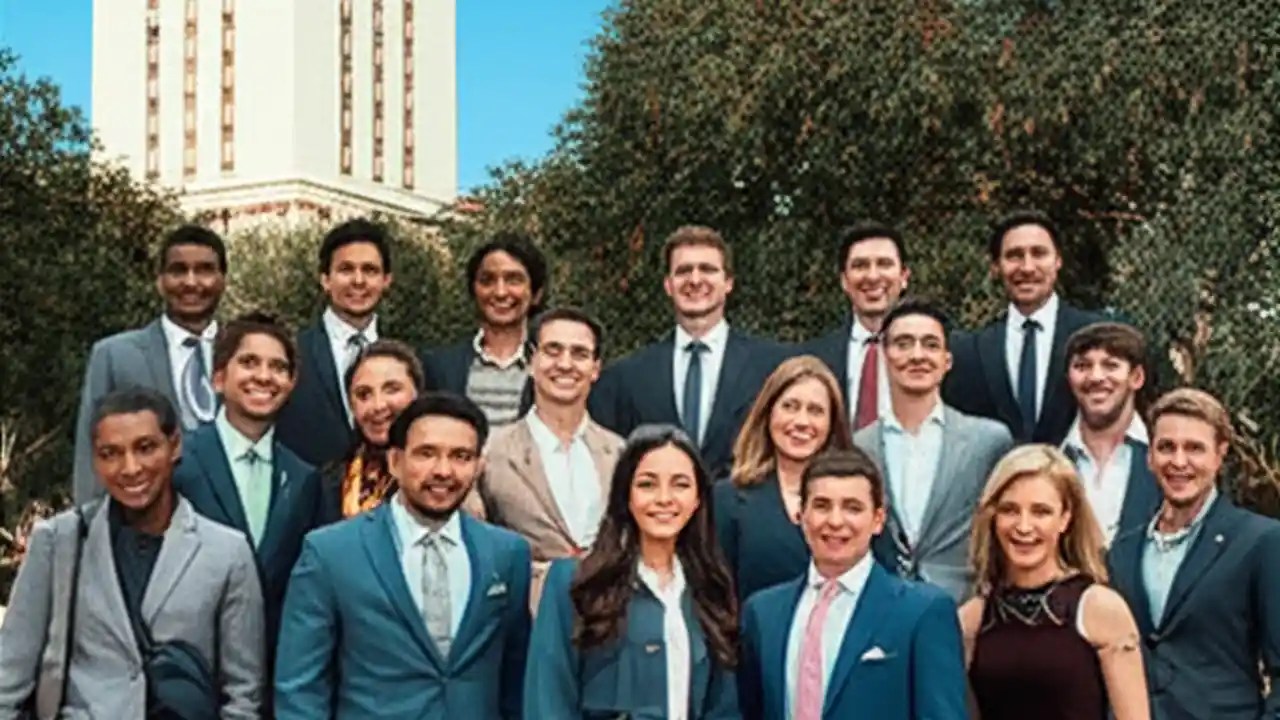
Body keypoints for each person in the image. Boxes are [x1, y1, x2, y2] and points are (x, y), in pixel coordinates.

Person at [0, 388, 264, 718]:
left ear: (174, 445)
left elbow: (243, 693)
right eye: (110, 453)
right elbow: (8, 674)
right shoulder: (59, 542)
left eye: (145, 448)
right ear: (95, 460)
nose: (130, 468)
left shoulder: (227, 552)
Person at [274, 393, 532, 719]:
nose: (443, 470)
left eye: (461, 456)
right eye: (426, 454)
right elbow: (299, 688)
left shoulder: (508, 554)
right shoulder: (330, 553)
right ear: (395, 462)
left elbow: (517, 677)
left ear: (479, 466)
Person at [525, 425, 739, 719]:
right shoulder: (576, 582)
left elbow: (723, 709)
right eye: (647, 484)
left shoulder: (709, 589)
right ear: (626, 494)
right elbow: (548, 700)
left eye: (680, 484)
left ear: (698, 499)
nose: (664, 498)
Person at [738, 449, 967, 720]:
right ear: (801, 515)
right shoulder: (762, 613)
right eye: (822, 506)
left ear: (878, 520)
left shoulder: (923, 612)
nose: (835, 521)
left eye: (852, 508)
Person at [1108, 388, 1280, 720]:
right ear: (1150, 456)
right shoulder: (1122, 551)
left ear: (1220, 454)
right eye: (1166, 447)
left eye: (1195, 448)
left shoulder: (1260, 541)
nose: (1179, 461)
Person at [961, 444, 1149, 720]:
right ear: (993, 517)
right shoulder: (972, 618)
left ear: (1065, 518)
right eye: (1010, 510)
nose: (1024, 527)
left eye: (1041, 512)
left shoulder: (1100, 608)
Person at [173, 312, 323, 653]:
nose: (264, 376)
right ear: (218, 378)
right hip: (186, 666)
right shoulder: (179, 462)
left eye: (278, 367)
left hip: (272, 668)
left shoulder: (303, 479)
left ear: (291, 383)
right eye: (250, 362)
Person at [591, 225, 785, 479]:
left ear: (728, 283)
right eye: (683, 271)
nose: (695, 280)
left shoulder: (773, 367)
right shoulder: (626, 377)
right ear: (668, 285)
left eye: (708, 269)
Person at [854, 298, 1013, 601]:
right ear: (884, 355)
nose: (917, 355)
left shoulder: (988, 441)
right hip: (882, 608)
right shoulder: (859, 447)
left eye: (930, 345)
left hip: (965, 608)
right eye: (903, 344)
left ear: (946, 360)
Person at [467, 307, 622, 610]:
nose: (565, 364)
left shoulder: (620, 453)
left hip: (610, 618)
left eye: (579, 354)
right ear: (531, 361)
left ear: (595, 368)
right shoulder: (492, 454)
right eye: (553, 351)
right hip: (525, 620)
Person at [73, 224, 228, 503]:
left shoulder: (246, 356)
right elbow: (90, 450)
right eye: (178, 270)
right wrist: (89, 529)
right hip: (142, 524)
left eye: (204, 270)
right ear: (160, 280)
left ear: (223, 279)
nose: (191, 282)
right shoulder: (114, 355)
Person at [944, 211, 1105, 445]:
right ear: (996, 267)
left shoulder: (1097, 337)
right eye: (1014, 256)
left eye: (1039, 254)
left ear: (1058, 261)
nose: (1027, 267)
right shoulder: (969, 351)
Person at [714, 355, 852, 603]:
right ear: (767, 414)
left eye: (816, 411)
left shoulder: (858, 498)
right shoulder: (728, 499)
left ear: (832, 423)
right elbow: (713, 595)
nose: (801, 421)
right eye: (790, 406)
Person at [276, 219, 394, 466]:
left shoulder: (406, 362)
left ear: (386, 280)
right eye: (346, 269)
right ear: (325, 279)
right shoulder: (289, 355)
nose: (358, 281)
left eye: (370, 270)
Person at [420, 232, 542, 426]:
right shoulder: (440, 369)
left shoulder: (553, 367)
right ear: (473, 290)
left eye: (513, 280)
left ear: (536, 293)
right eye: (487, 280)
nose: (500, 292)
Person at [1061, 322, 1161, 545]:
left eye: (1110, 365)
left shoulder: (1166, 458)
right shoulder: (1049, 456)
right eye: (1082, 366)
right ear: (1069, 378)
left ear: (1136, 378)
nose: (1096, 377)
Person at [805, 222, 911, 432]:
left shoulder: (935, 355)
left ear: (904, 277)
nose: (872, 276)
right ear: (844, 280)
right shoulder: (814, 359)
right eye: (860, 265)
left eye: (884, 264)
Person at [320, 339, 425, 523]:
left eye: (392, 389)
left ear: (418, 395)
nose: (378, 405)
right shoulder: (328, 483)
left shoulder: (442, 476)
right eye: (363, 394)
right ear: (351, 407)